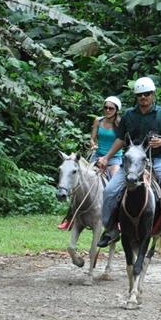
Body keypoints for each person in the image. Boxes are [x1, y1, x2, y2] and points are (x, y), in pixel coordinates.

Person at [95, 77, 161, 247]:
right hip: (131, 161)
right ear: (136, 97)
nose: (143, 97)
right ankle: (110, 229)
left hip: (156, 159)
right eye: (140, 95)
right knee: (109, 191)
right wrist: (107, 157)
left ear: (153, 94)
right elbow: (121, 139)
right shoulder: (129, 114)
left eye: (147, 94)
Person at [57, 96, 123, 230]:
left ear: (116, 110)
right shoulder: (98, 121)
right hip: (97, 156)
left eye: (111, 108)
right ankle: (71, 217)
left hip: (114, 158)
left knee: (116, 186)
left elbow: (122, 142)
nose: (108, 110)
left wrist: (107, 157)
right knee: (80, 182)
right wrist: (93, 145)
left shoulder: (120, 124)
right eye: (106, 107)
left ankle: (118, 218)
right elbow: (92, 139)